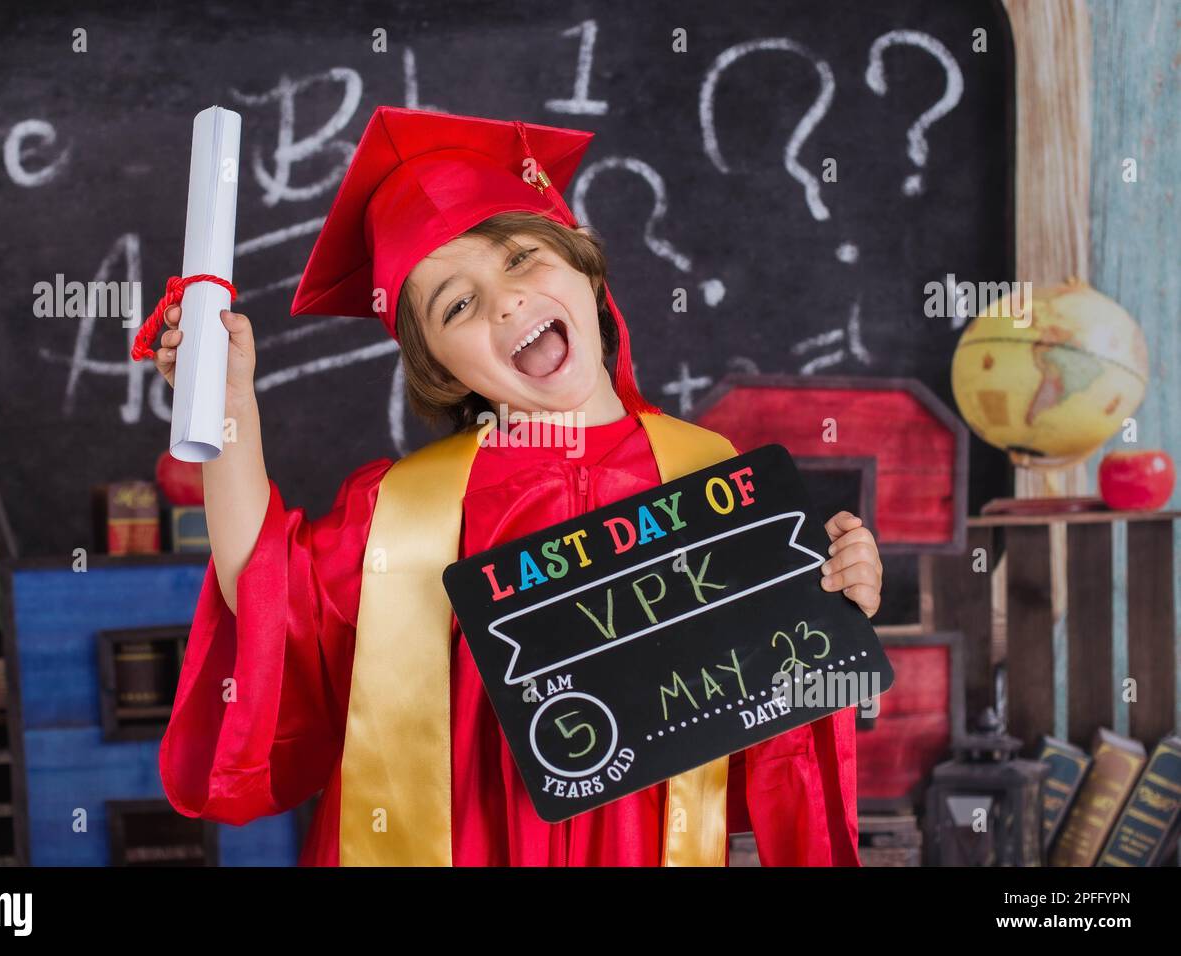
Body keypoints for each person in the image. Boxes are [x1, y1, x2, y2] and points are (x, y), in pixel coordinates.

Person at [152, 106, 884, 866]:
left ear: (588, 269)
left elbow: (771, 720)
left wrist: (833, 608)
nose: (504, 300)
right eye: (457, 305)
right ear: (440, 368)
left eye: (521, 258)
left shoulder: (708, 477)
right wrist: (231, 404)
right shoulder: (403, 511)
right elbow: (263, 584)